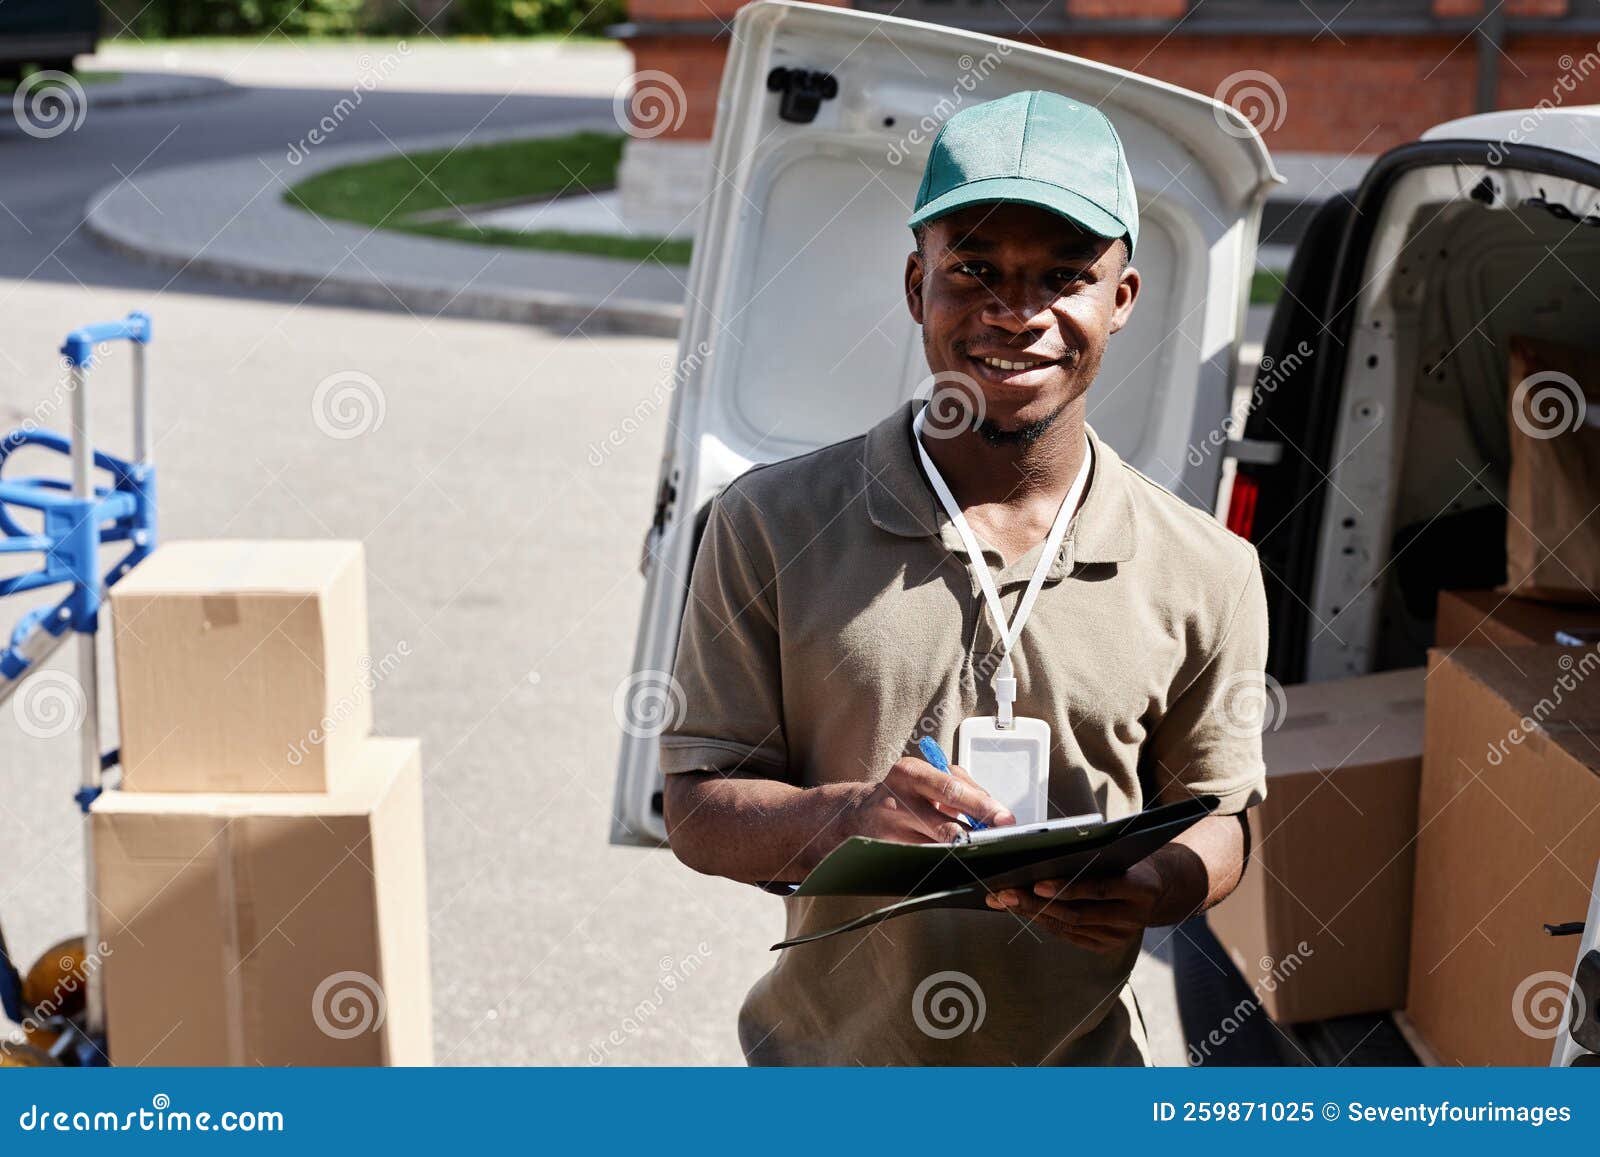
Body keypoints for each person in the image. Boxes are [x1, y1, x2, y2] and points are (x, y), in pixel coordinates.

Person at [660, 90, 1268, 1065]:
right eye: (974, 270)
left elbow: (1223, 814)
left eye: (1064, 276)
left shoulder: (1209, 567)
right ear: (917, 285)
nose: (1015, 313)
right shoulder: (768, 524)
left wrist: (1152, 886)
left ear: (1121, 298)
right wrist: (844, 818)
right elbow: (695, 807)